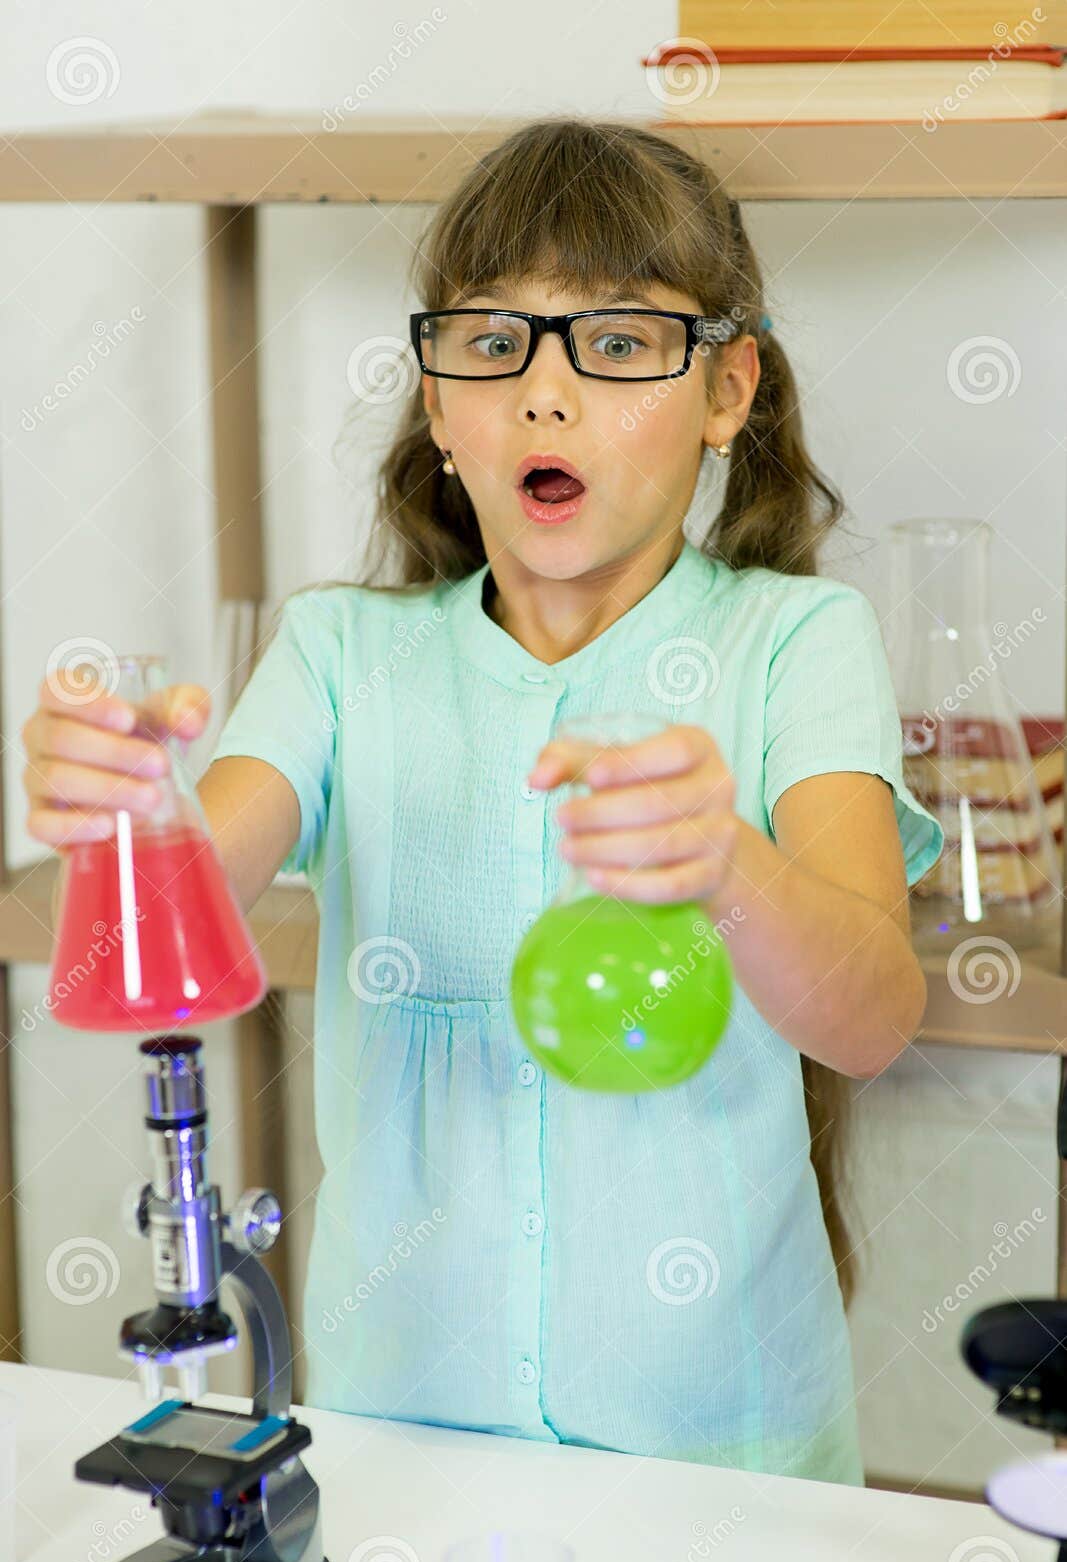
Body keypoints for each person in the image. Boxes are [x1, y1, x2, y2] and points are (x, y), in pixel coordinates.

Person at [22, 117, 944, 1487]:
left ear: (727, 390)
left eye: (621, 344)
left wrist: (730, 870)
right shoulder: (341, 654)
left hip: (729, 1460)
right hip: (400, 1451)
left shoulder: (798, 645)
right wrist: (119, 815)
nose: (547, 396)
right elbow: (154, 943)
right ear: (439, 402)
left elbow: (872, 1015)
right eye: (495, 343)